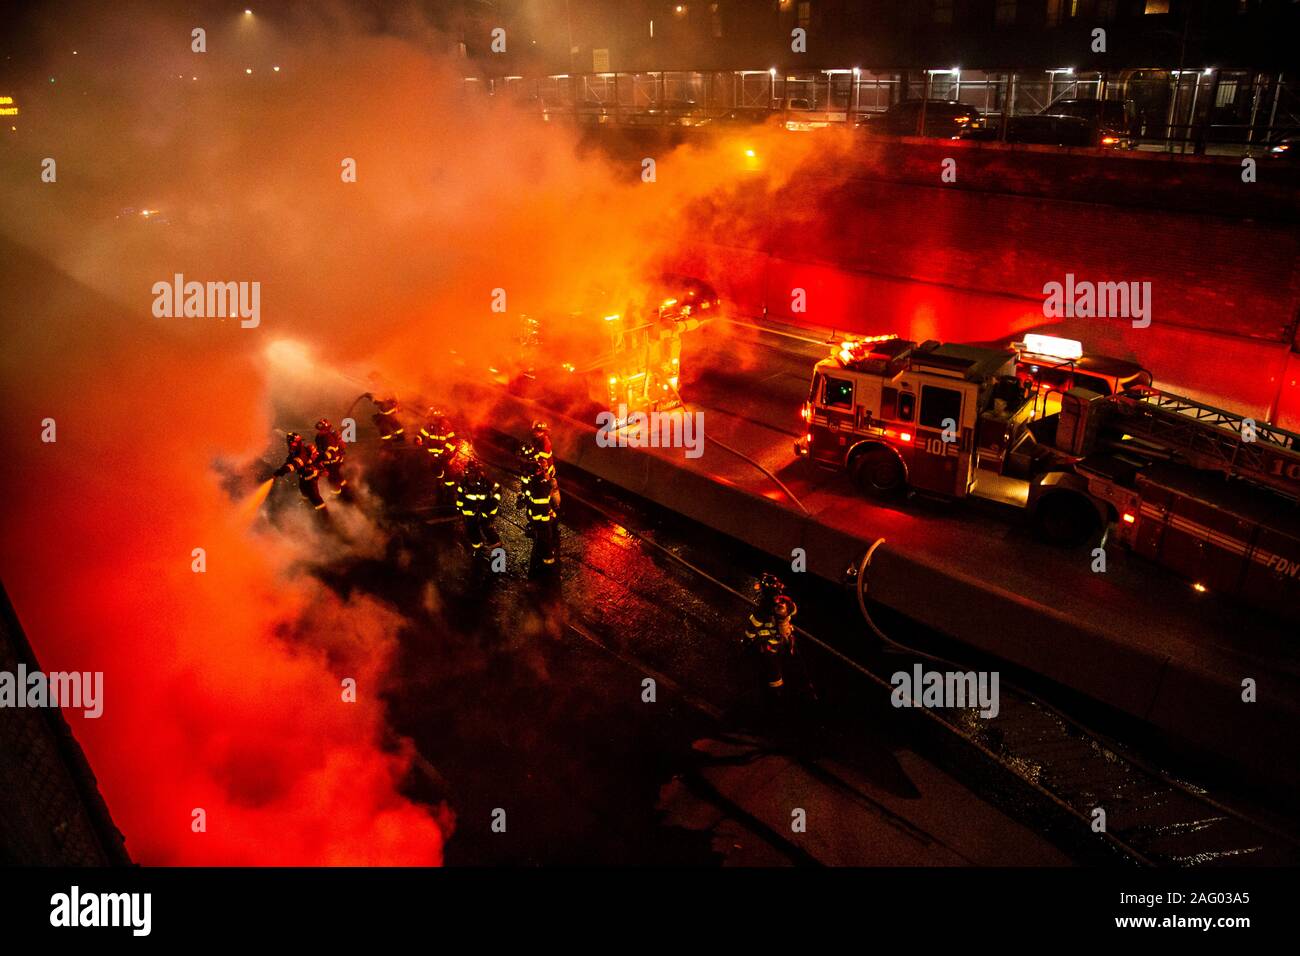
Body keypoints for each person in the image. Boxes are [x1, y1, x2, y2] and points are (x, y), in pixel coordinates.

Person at [455, 459, 502, 559]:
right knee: (472, 531)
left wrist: (494, 501)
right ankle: (478, 549)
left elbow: (498, 488)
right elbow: (460, 498)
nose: (469, 475)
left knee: (487, 529)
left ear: (476, 473)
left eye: (471, 473)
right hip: (470, 514)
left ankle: (498, 554)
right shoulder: (463, 484)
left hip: (485, 512)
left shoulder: (485, 482)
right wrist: (459, 510)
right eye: (467, 472)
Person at [517, 458, 559, 567]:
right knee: (543, 537)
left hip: (542, 518)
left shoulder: (538, 486)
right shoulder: (537, 483)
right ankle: (543, 553)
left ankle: (548, 559)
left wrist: (541, 519)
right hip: (540, 517)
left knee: (545, 538)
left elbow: (541, 505)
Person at [273, 431, 326, 513]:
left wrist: (282, 471)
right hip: (304, 477)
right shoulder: (294, 452)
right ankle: (310, 511)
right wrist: (278, 472)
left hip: (311, 477)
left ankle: (324, 516)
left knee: (315, 497)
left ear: (294, 442)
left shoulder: (302, 452)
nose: (289, 444)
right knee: (304, 494)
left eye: (290, 442)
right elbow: (288, 462)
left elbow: (294, 464)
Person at [314, 418, 350, 500]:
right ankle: (347, 492)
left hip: (334, 464)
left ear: (325, 429)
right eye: (319, 429)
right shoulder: (319, 436)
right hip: (331, 463)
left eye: (321, 429)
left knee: (333, 481)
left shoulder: (328, 438)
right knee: (339, 478)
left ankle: (338, 497)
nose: (319, 431)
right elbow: (320, 449)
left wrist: (319, 458)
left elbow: (332, 454)